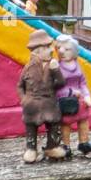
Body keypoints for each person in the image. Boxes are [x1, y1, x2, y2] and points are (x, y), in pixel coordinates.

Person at [17, 30, 67, 163]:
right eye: (47, 47)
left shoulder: (52, 65)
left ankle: (52, 146)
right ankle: (31, 149)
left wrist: (56, 70)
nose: (51, 50)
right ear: (37, 51)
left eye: (50, 46)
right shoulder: (28, 67)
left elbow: (61, 83)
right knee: (31, 127)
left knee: (54, 124)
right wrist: (23, 99)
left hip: (49, 102)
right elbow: (20, 85)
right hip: (32, 104)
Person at [55, 36, 91, 158]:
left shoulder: (77, 66)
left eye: (67, 49)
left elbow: (82, 83)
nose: (62, 52)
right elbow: (56, 87)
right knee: (65, 124)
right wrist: (70, 91)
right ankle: (66, 145)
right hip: (66, 101)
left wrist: (87, 95)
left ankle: (84, 142)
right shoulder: (58, 68)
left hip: (80, 102)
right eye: (60, 49)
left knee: (83, 121)